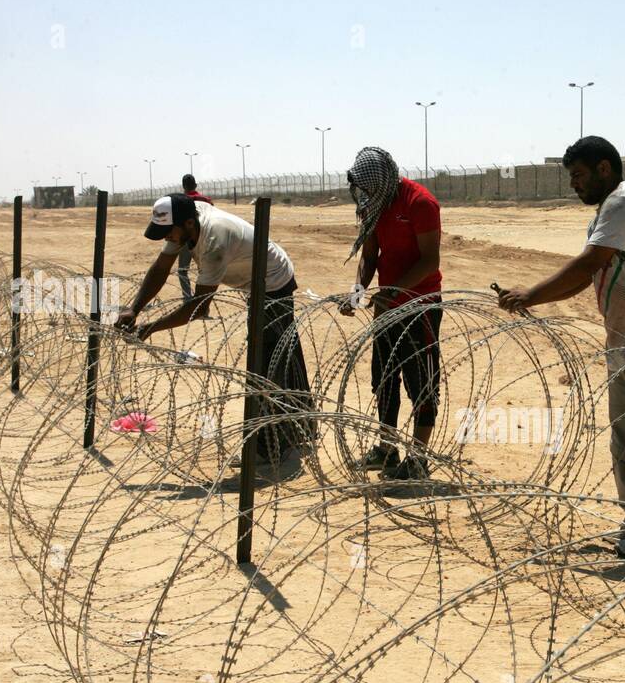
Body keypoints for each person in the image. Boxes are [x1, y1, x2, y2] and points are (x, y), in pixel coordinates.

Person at [496, 136, 625, 561]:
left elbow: (588, 264)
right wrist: (532, 298)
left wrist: (529, 294)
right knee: (624, 440)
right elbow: (587, 276)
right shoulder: (609, 211)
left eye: (579, 176)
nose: (574, 186)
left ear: (605, 169)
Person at [118, 193, 313, 468]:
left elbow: (199, 308)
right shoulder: (186, 220)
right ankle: (305, 424)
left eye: (168, 233)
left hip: (272, 281)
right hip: (253, 280)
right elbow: (161, 268)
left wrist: (150, 327)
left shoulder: (213, 240)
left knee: (267, 363)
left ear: (187, 224)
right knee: (283, 352)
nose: (166, 239)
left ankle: (268, 447)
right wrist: (134, 309)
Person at [338, 146, 442, 481]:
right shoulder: (375, 205)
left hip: (420, 306)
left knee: (421, 383)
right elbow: (370, 256)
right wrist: (358, 293)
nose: (363, 194)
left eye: (367, 187)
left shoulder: (420, 203)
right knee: (384, 380)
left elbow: (429, 261)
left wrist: (393, 292)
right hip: (386, 308)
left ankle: (418, 458)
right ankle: (386, 449)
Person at [176, 174, 213, 300]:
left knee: (182, 271)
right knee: (203, 272)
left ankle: (187, 299)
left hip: (186, 239)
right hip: (203, 239)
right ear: (195, 185)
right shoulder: (206, 200)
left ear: (183, 186)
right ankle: (202, 303)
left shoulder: (180, 201)